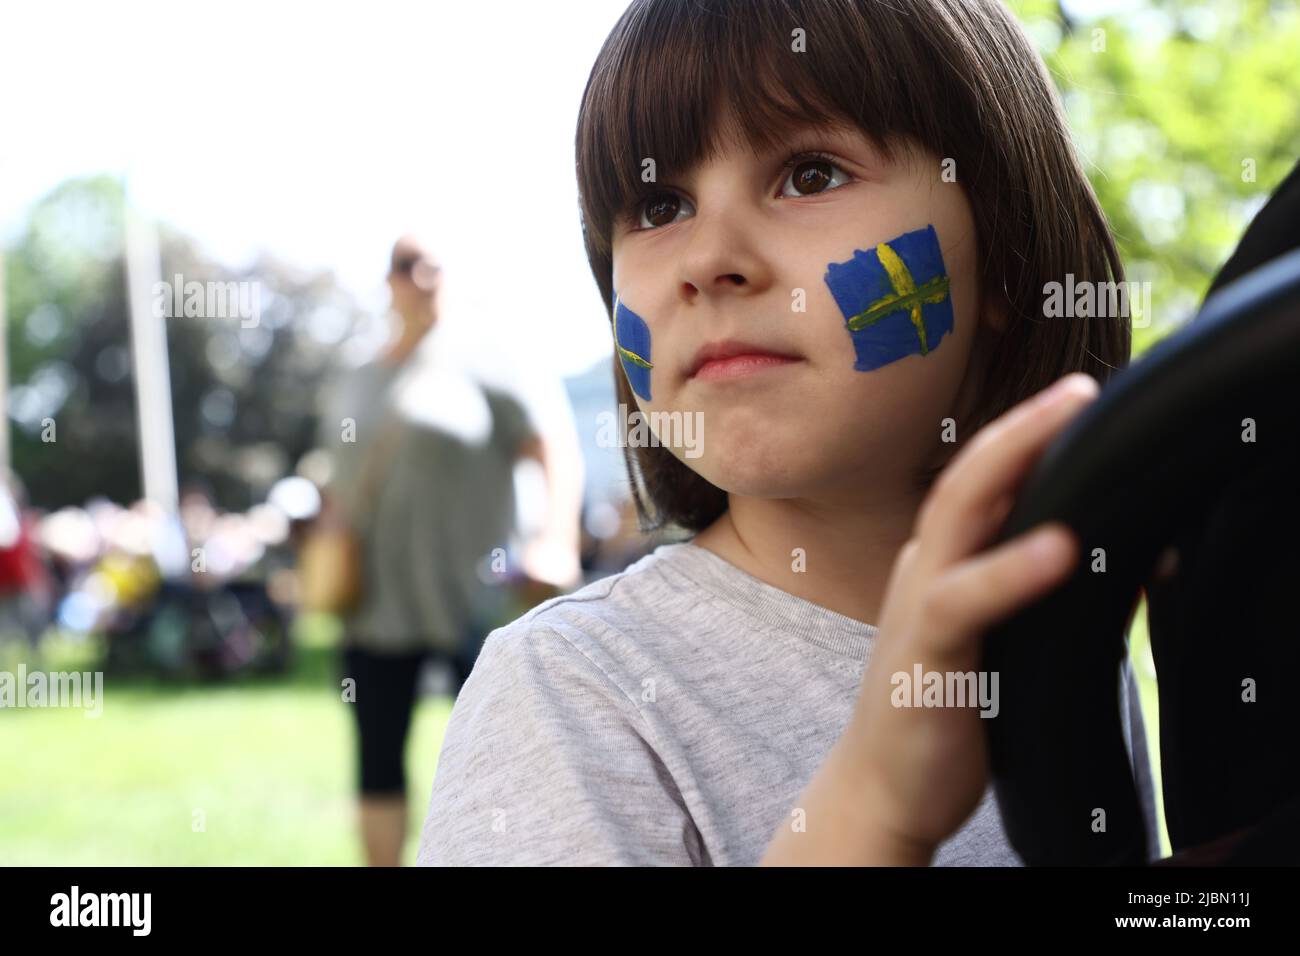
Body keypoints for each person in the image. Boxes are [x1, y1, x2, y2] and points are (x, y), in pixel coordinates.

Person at [417, 0, 1159, 866]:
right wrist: (874, 811)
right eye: (660, 206)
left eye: (810, 175)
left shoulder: (1056, 635)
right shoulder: (567, 688)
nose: (708, 259)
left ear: (1002, 256)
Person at [320, 236, 580, 867]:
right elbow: (339, 477)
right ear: (389, 281)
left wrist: (556, 539)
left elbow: (554, 449)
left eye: (436, 265)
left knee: (503, 763)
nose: (425, 278)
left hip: (476, 603)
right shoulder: (356, 377)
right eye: (410, 266)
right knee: (377, 760)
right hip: (378, 605)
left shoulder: (488, 362)